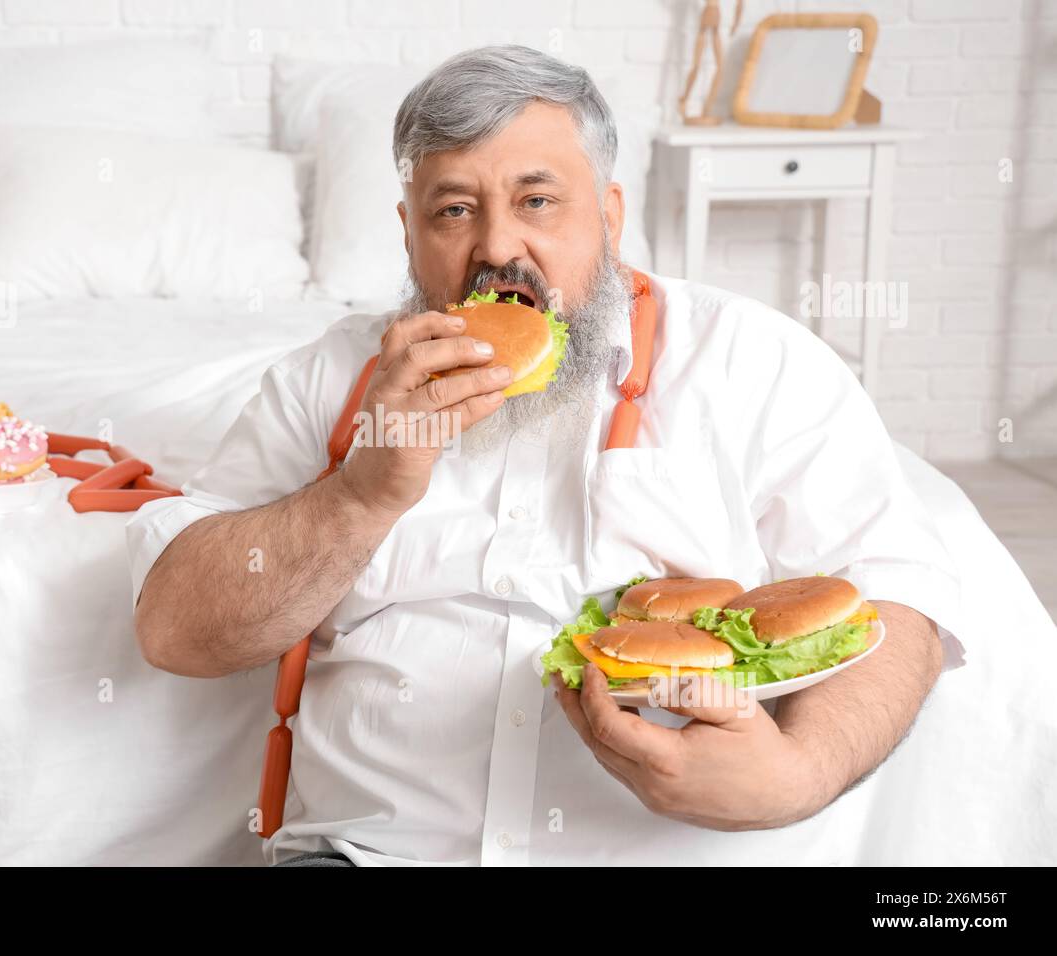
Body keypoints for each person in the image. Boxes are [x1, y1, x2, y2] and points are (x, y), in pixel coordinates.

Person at [127, 45, 964, 866]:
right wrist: (359, 497)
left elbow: (904, 597)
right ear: (408, 232)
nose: (496, 249)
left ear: (609, 213)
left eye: (536, 201)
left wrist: (798, 775)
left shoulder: (754, 362)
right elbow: (174, 630)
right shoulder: (331, 379)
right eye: (453, 210)